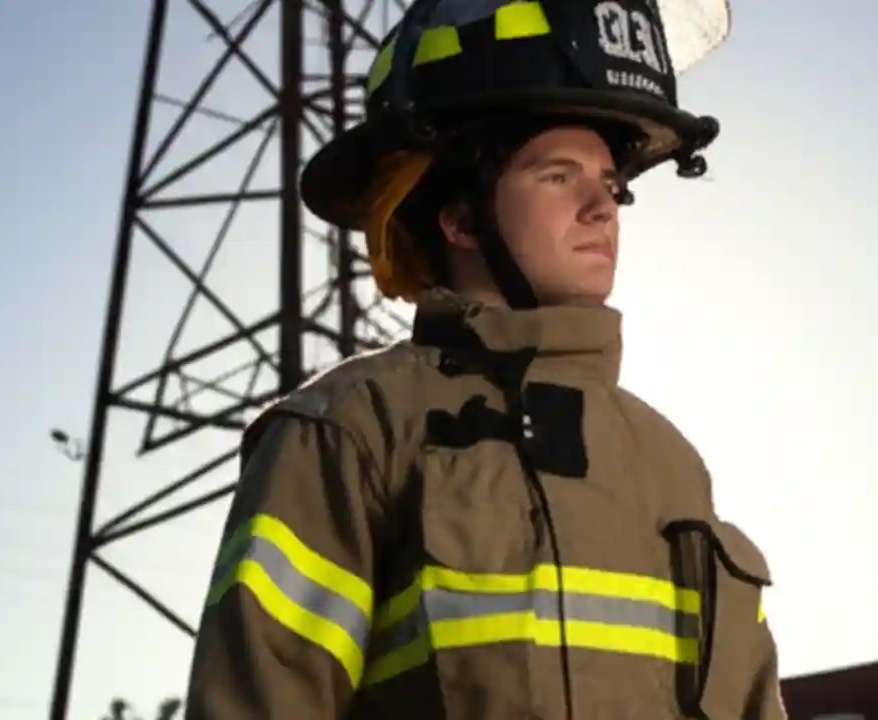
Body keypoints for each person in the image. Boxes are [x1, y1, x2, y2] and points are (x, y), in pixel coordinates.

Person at [184, 0, 786, 717]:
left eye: (613, 185)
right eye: (560, 176)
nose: (602, 208)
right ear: (462, 219)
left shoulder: (668, 462)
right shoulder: (351, 431)